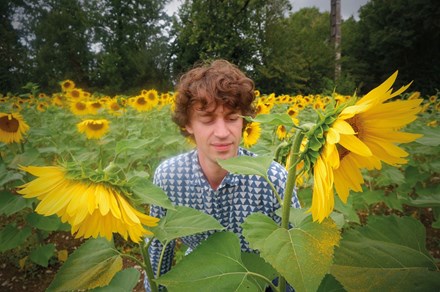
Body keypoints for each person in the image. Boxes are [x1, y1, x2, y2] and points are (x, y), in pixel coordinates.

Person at [145, 59, 300, 291]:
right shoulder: (168, 178)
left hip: (260, 282)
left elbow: (294, 257)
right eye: (207, 120)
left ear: (244, 121)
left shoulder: (273, 179)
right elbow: (159, 253)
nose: (222, 133)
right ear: (188, 124)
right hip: (199, 280)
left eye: (232, 118)